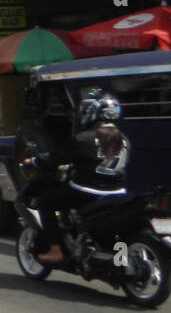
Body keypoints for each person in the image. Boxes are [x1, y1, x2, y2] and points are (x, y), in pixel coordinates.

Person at [22, 88, 129, 265]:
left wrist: (33, 161)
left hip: (85, 191)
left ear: (90, 112)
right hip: (117, 191)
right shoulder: (123, 138)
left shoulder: (83, 138)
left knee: (45, 203)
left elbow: (53, 160)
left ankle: (56, 251)